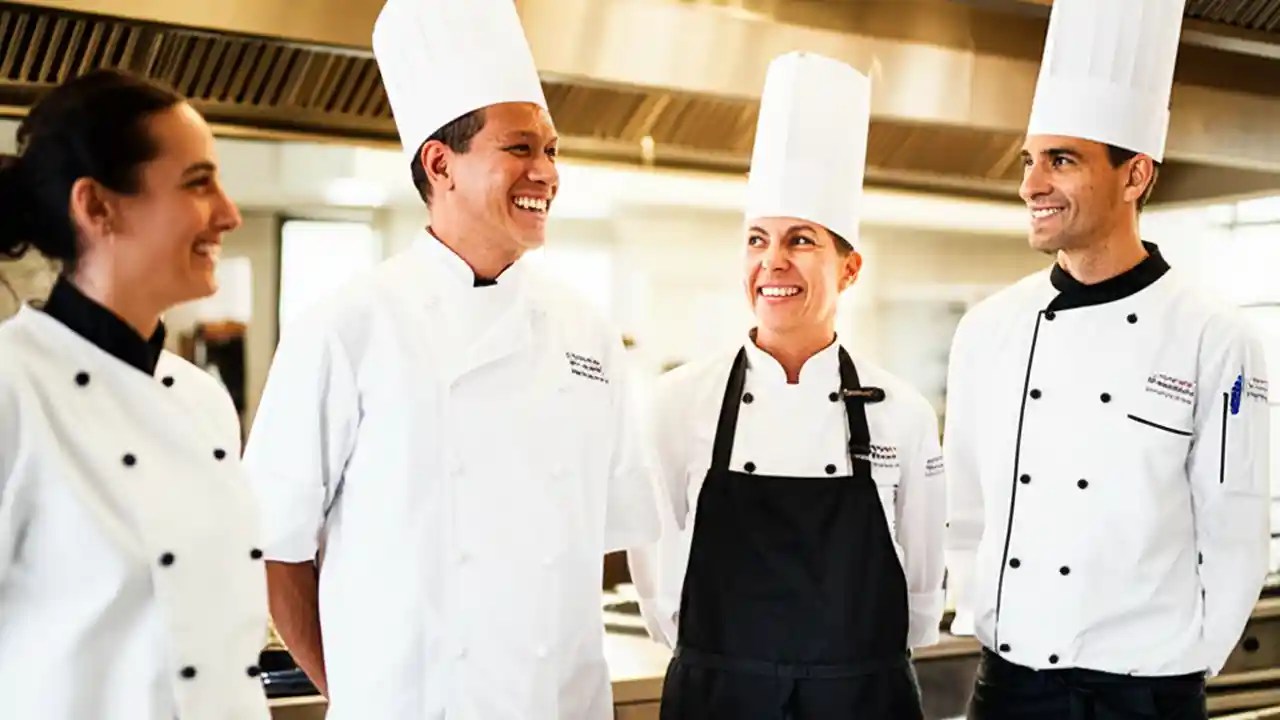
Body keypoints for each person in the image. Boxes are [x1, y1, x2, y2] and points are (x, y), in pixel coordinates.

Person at [241, 0, 661, 718]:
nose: (546, 173)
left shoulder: (587, 334)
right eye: (520, 148)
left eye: (552, 150)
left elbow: (611, 541)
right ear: (441, 164)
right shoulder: (345, 329)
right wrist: (364, 695)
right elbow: (274, 551)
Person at [944, 1, 1271, 718]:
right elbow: (963, 508)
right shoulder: (989, 329)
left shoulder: (1215, 337)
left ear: (1136, 176)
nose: (1032, 184)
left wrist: (1171, 670)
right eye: (1031, 160)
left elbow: (1236, 535)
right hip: (1007, 691)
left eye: (1062, 161)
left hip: (1142, 697)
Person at [628, 51, 946, 720]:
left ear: (849, 267)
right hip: (720, 702)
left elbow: (920, 600)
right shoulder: (676, 405)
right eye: (756, 240)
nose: (772, 262)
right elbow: (661, 598)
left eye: (800, 240)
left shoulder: (902, 415)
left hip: (864, 701)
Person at [0, 69, 269, 720]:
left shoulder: (203, 403)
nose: (228, 214)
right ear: (97, 206)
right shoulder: (13, 387)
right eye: (198, 183)